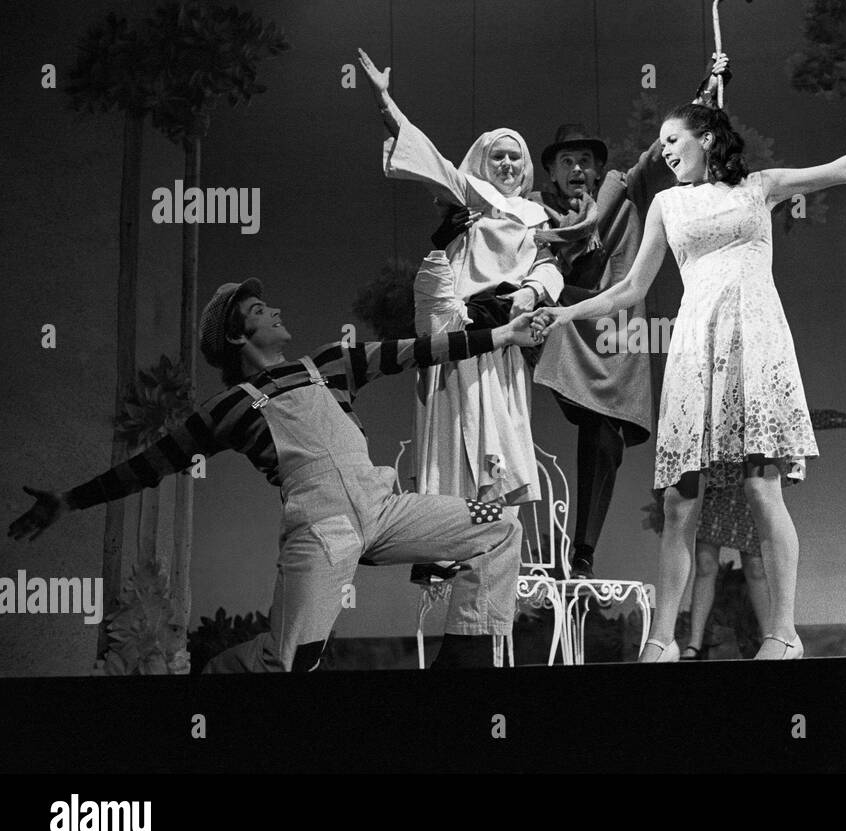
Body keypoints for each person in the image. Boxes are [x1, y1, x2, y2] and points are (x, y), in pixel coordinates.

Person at [534, 106, 846, 661]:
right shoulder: (667, 204)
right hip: (697, 348)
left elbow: (841, 168)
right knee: (679, 498)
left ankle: (783, 634)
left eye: (672, 139)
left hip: (756, 342)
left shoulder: (759, 187)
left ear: (706, 138)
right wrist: (567, 314)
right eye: (660, 144)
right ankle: (662, 640)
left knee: (763, 487)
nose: (664, 151)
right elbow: (629, 290)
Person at [6, 271, 536, 671]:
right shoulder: (228, 408)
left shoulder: (331, 363)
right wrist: (69, 500)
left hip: (387, 512)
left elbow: (420, 351)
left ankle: (465, 667)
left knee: (500, 526)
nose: (276, 309)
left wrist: (503, 336)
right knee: (288, 664)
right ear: (239, 337)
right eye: (260, 309)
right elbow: (149, 466)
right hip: (321, 534)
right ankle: (222, 674)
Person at [529, 56, 731, 579]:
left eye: (584, 162)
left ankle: (583, 550)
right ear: (551, 171)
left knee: (603, 437)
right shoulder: (537, 214)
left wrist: (706, 91)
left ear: (597, 168)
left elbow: (658, 151)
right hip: (564, 321)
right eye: (566, 162)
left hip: (615, 331)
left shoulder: (622, 193)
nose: (577, 170)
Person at [358, 46, 564, 507]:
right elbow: (426, 157)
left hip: (506, 333)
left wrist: (532, 292)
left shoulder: (535, 215)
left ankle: (491, 544)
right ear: (483, 162)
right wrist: (385, 103)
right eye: (498, 157)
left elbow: (549, 265)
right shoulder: (467, 194)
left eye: (516, 157)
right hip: (462, 334)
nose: (508, 165)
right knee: (456, 433)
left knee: (501, 451)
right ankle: (449, 542)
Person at [680, 483, 770, 659]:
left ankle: (769, 639)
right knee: (705, 564)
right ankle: (695, 642)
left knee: (756, 568)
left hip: (747, 475)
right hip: (716, 476)